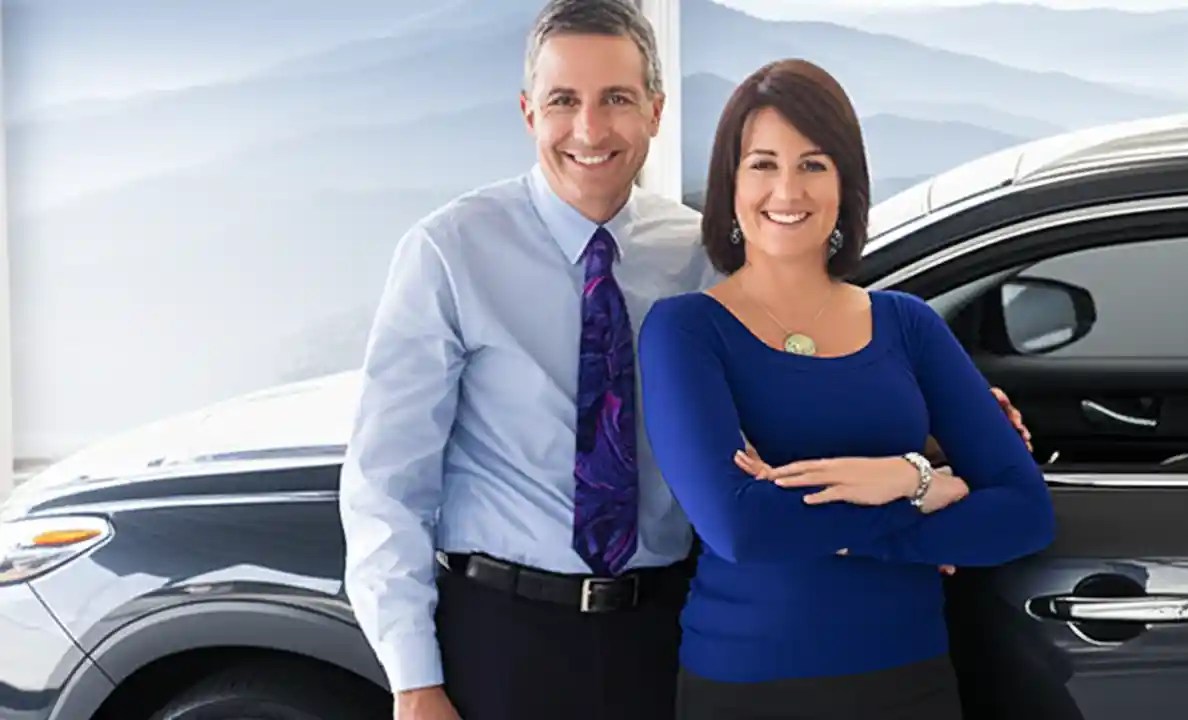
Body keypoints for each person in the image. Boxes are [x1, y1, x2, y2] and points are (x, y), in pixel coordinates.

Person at [339, 2, 1033, 719]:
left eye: (616, 99)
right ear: (527, 112)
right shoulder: (449, 253)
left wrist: (941, 429)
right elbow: (387, 482)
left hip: (662, 628)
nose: (590, 129)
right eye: (563, 101)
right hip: (501, 631)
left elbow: (806, 368)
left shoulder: (707, 256)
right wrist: (413, 681)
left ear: (656, 111)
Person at [636, 58, 1057, 720]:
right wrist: (928, 495)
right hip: (747, 685)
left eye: (813, 164)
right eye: (763, 164)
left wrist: (899, 481)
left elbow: (1025, 513)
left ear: (844, 184)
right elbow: (740, 528)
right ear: (731, 184)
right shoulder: (686, 331)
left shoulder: (907, 325)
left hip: (907, 679)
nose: (787, 189)